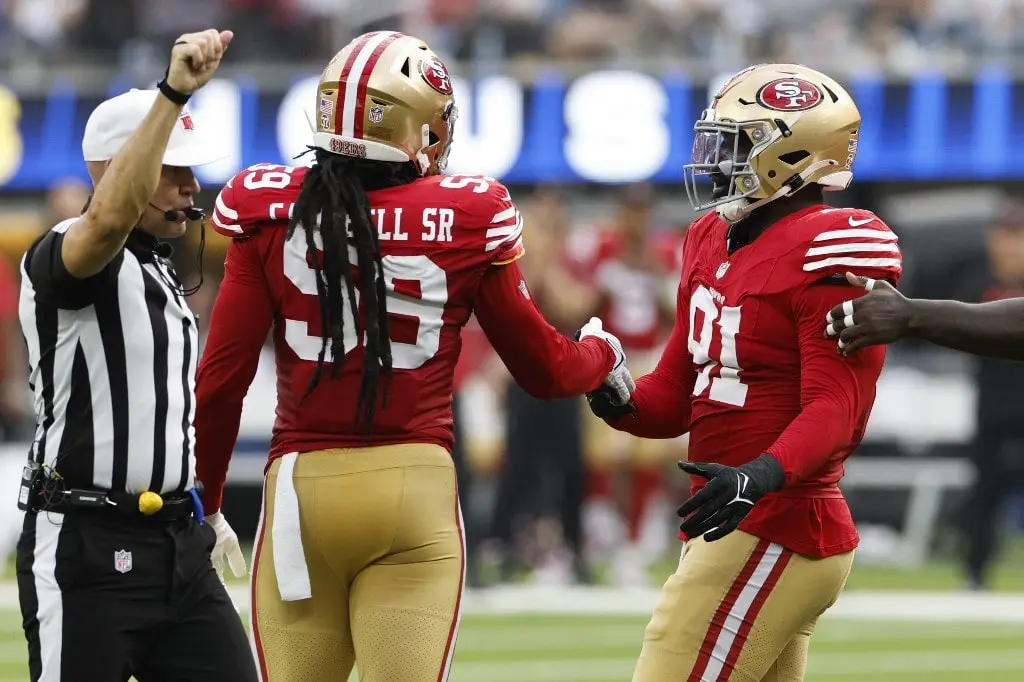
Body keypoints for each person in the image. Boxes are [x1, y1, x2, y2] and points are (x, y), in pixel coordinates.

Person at [193, 31, 631, 682]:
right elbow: (546, 371)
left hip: (300, 495)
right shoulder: (468, 212)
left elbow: (220, 382)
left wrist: (207, 498)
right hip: (412, 489)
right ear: (415, 126)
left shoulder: (266, 206)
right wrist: (601, 354)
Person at [585, 63, 902, 682]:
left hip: (781, 520)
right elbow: (677, 392)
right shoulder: (709, 236)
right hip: (734, 518)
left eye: (733, 145)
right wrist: (617, 395)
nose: (714, 162)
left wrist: (757, 476)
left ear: (791, 156)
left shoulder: (833, 246)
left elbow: (836, 409)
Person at [15, 29, 257, 682]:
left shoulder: (158, 269)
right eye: (171, 169)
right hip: (89, 544)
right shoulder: (70, 248)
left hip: (177, 543)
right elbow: (104, 221)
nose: (190, 185)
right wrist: (172, 93)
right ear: (120, 165)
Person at [825, 202, 1024, 589]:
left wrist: (911, 316)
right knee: (986, 489)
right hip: (994, 405)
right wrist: (912, 315)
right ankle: (975, 573)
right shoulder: (974, 275)